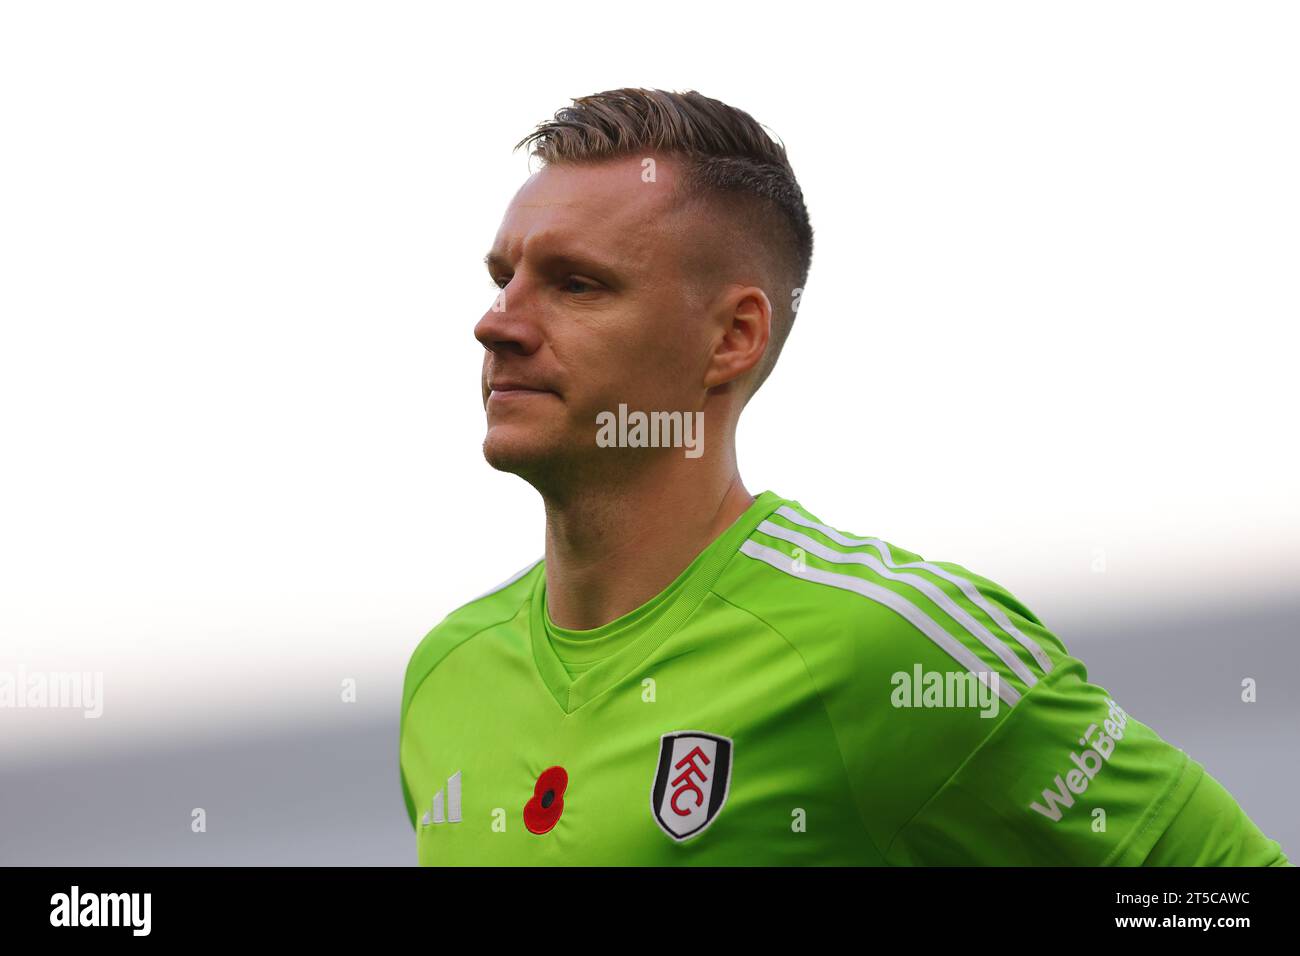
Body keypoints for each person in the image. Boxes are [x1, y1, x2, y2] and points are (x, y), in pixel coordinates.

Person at [399, 87, 1289, 865]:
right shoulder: (449, 674)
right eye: (503, 276)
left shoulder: (883, 645)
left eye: (577, 284)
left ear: (733, 337)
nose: (497, 323)